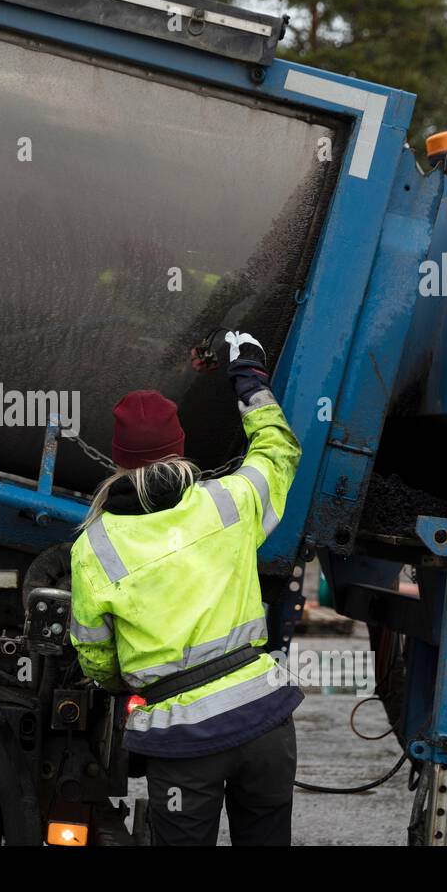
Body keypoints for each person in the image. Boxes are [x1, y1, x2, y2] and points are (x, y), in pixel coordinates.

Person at [68, 332, 302, 845]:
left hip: (184, 742)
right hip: (264, 722)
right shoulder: (231, 504)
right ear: (179, 447)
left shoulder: (95, 547)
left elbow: (95, 656)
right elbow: (279, 450)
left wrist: (120, 683)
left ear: (119, 459)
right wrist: (249, 378)